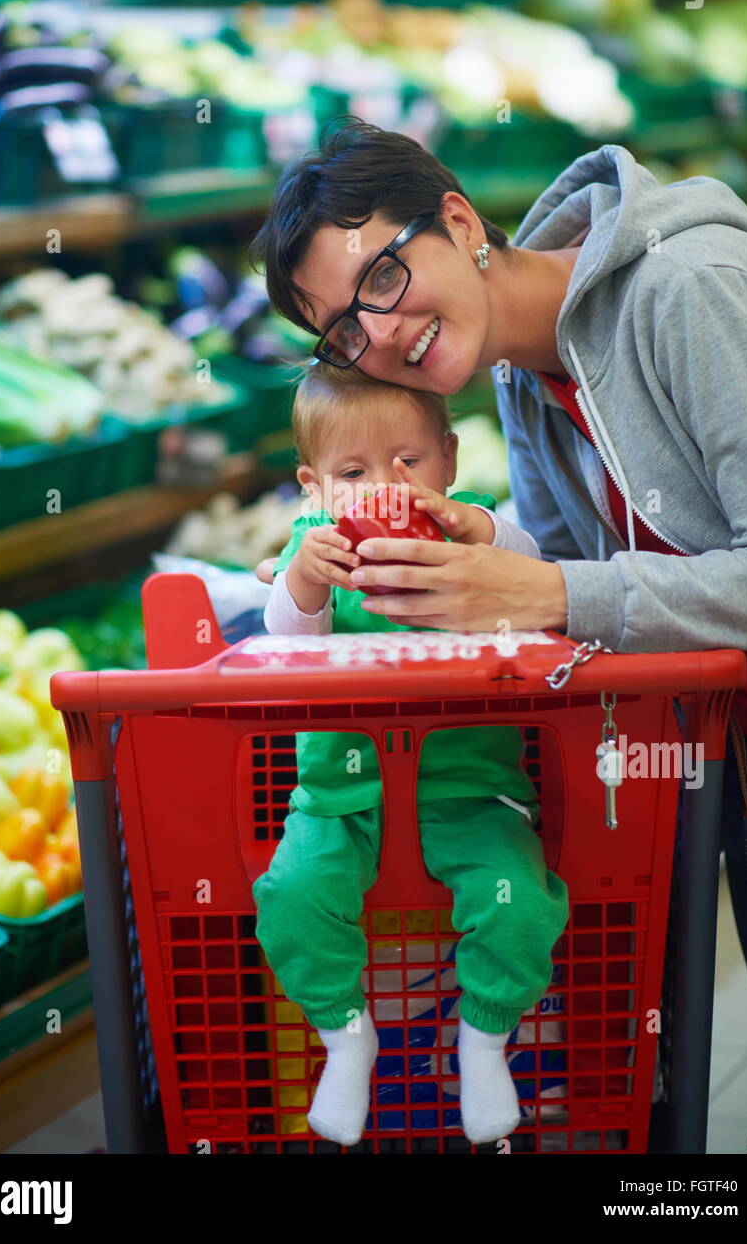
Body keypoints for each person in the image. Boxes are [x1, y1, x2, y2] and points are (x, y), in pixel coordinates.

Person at [249, 120, 747, 1107]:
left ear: (458, 221)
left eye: (381, 279)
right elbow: (589, 577)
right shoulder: (515, 374)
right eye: (340, 330)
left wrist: (541, 592)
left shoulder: (690, 287)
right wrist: (480, 546)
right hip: (743, 740)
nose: (375, 336)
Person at [252, 360, 569, 1146]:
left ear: (450, 464)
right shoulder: (314, 547)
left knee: (519, 898)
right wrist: (302, 580)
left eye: (409, 462)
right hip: (341, 797)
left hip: (469, 789)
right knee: (290, 895)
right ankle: (343, 1034)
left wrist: (482, 532)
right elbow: (283, 643)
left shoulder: (468, 527)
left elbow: (532, 567)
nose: (384, 485)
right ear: (314, 487)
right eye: (352, 472)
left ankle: (484, 1038)